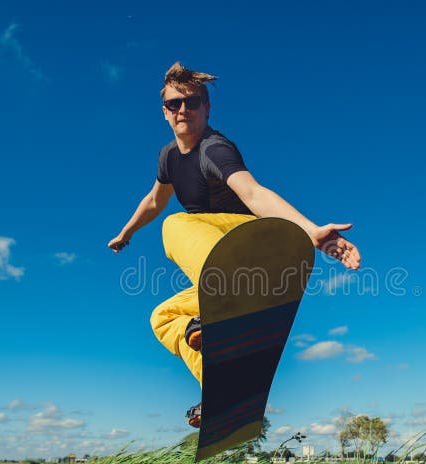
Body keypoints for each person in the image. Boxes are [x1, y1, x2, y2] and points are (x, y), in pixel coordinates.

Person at [108, 62, 361, 426]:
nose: (183, 110)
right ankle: (221, 393)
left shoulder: (214, 149)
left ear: (206, 108)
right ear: (164, 112)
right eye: (174, 104)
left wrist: (309, 231)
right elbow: (153, 200)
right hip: (232, 275)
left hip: (252, 251)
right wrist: (127, 233)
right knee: (163, 318)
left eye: (192, 103)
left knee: (176, 225)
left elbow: (253, 192)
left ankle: (225, 297)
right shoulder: (168, 157)